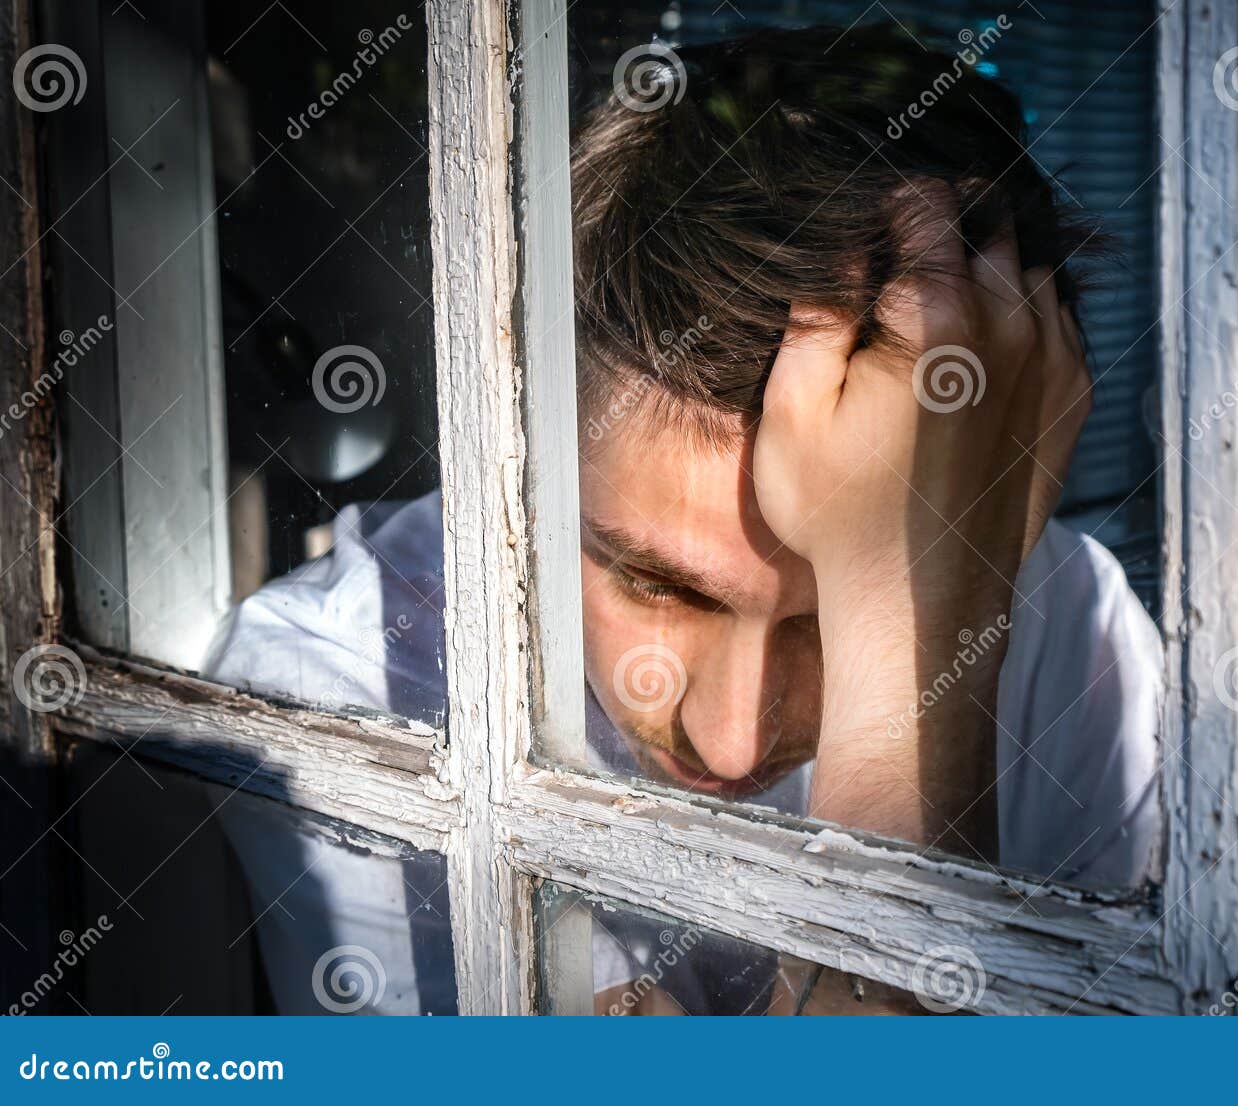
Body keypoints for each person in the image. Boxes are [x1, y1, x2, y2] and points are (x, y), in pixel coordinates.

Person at [205, 25, 1162, 1013]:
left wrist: (919, 664)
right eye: (655, 581)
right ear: (527, 452)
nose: (731, 742)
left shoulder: (1079, 638)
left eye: (829, 618)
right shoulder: (341, 694)